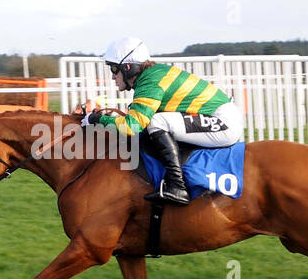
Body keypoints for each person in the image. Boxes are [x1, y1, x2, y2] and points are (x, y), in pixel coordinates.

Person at [82, 37, 244, 205]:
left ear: (127, 67)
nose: (113, 76)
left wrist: (96, 119)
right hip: (218, 116)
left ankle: (177, 186)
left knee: (158, 122)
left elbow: (132, 126)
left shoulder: (150, 81)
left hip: (223, 121)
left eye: (114, 69)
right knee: (155, 122)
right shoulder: (152, 74)